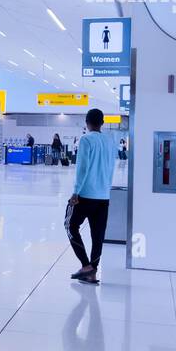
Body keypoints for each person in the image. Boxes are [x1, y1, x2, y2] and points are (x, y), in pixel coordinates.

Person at [65, 108, 117, 284]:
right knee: (98, 235)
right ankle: (92, 273)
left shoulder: (86, 140)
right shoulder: (111, 141)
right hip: (103, 196)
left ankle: (86, 266)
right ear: (102, 123)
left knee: (70, 226)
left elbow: (82, 168)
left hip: (85, 194)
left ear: (87, 123)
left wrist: (75, 192)